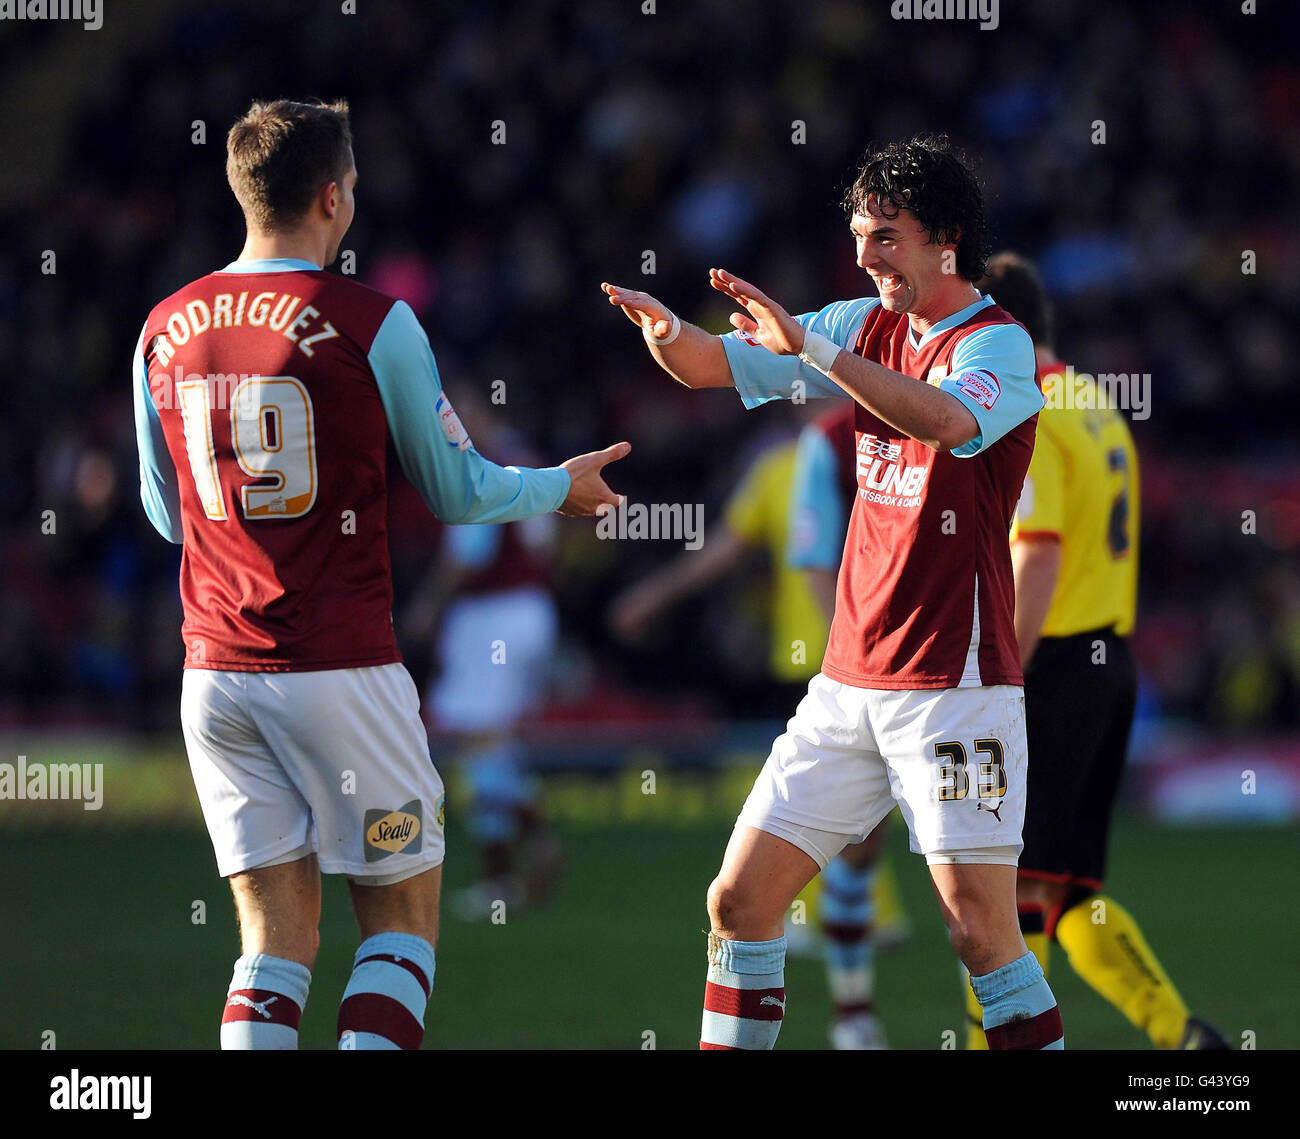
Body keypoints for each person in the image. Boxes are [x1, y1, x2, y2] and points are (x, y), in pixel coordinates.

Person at [132, 98, 627, 1049]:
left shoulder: (162, 325)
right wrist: (556, 487)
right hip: (341, 666)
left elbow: (165, 515)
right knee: (398, 926)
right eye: (352, 184)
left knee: (271, 943)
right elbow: (456, 487)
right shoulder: (372, 319)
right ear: (332, 196)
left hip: (216, 672)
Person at [604, 133, 1063, 1050]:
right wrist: (669, 338)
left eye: (885, 237)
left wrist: (812, 346)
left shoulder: (1000, 346)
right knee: (738, 899)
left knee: (980, 930)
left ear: (947, 240)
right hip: (849, 684)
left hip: (955, 688)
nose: (864, 256)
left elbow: (944, 420)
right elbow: (714, 365)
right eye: (858, 236)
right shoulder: (858, 324)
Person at [962, 253, 1228, 1050]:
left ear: (991, 329)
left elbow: (1036, 552)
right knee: (1067, 888)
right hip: (1110, 665)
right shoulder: (1097, 405)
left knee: (994, 892)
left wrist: (999, 667)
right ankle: (1183, 1034)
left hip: (1049, 665)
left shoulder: (1031, 410)